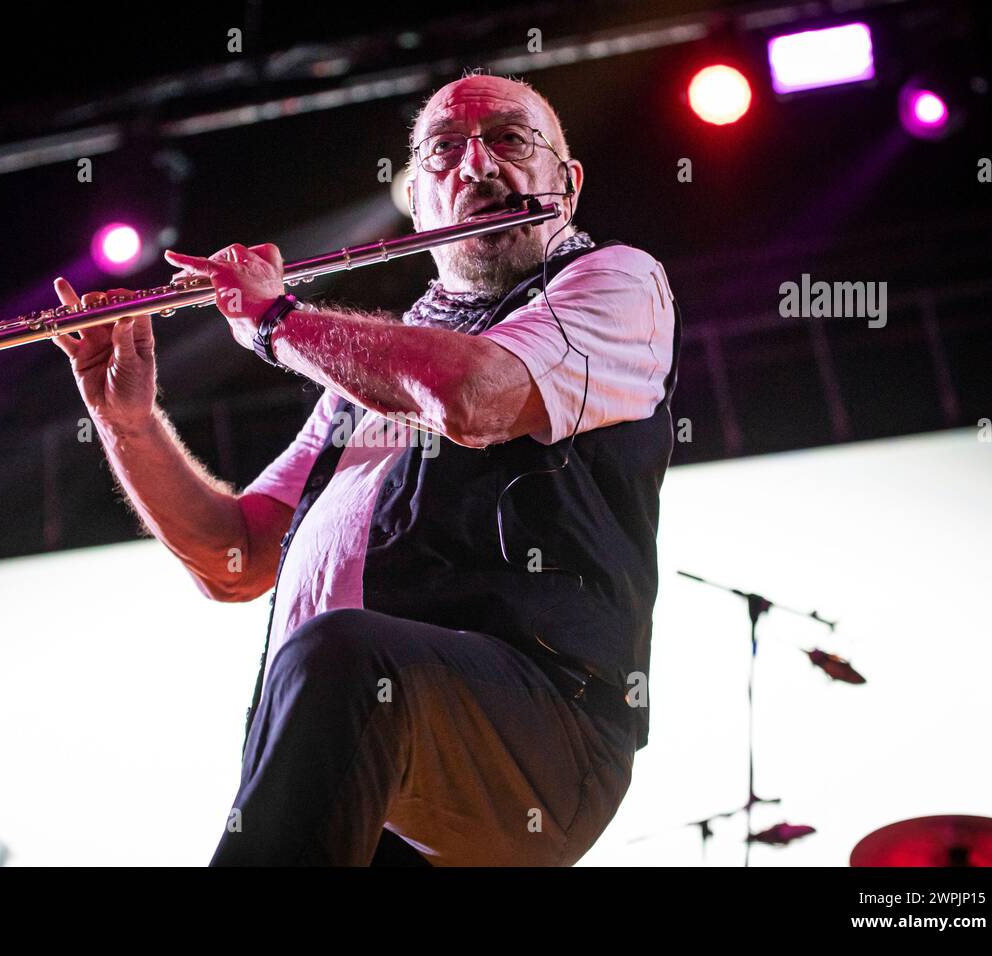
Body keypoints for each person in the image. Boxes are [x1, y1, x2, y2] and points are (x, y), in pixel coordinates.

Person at [52, 72, 678, 866]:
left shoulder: (615, 282)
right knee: (332, 664)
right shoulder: (368, 378)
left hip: (545, 730)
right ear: (419, 200)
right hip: (371, 775)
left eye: (511, 140)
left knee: (337, 654)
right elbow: (233, 559)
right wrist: (127, 423)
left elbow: (472, 395)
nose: (478, 166)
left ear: (568, 182)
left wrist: (276, 320)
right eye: (445, 151)